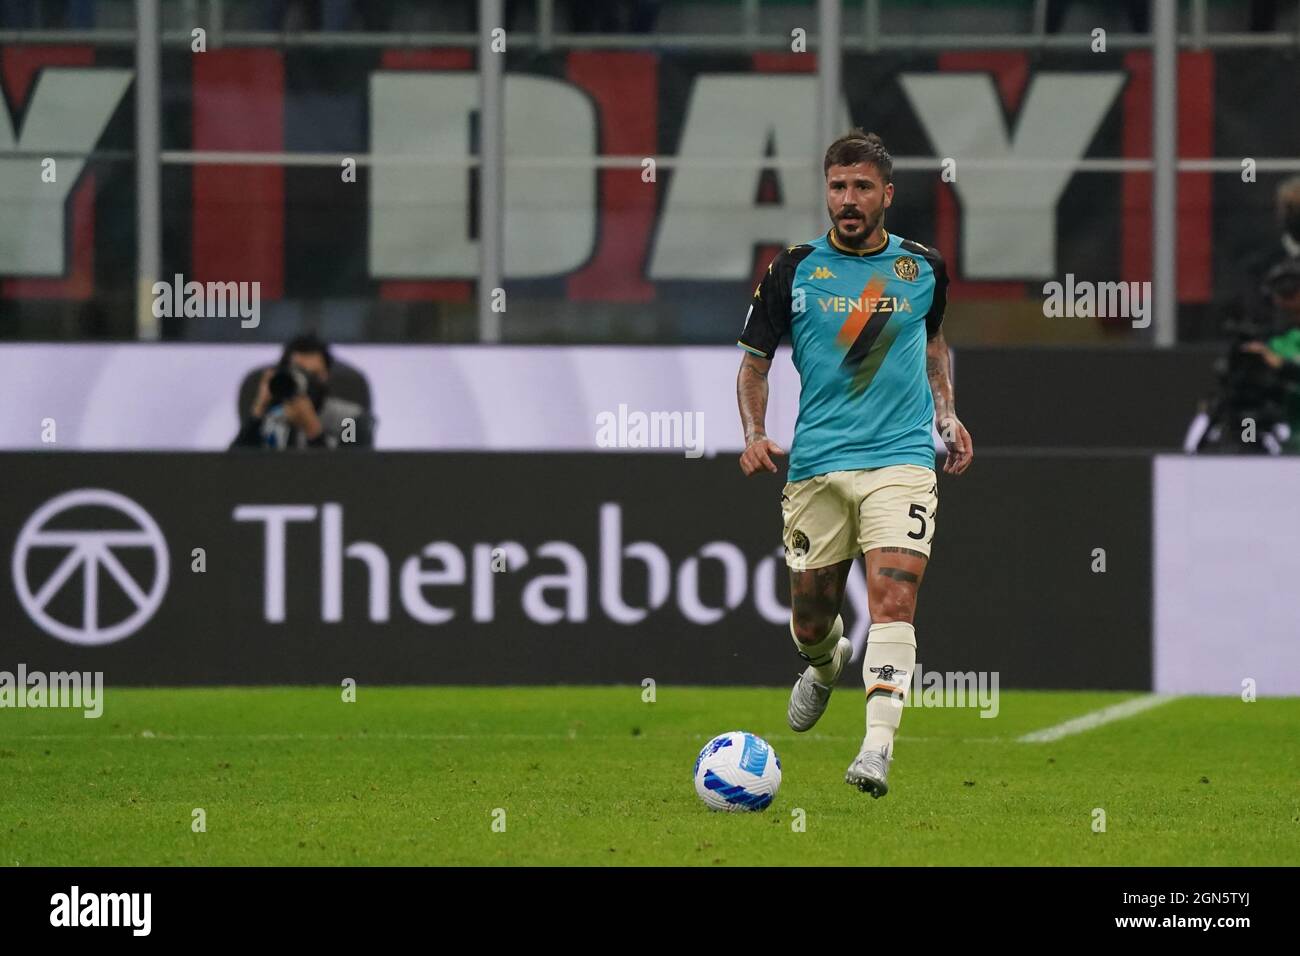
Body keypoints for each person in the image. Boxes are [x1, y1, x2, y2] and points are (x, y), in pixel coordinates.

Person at [735, 129, 973, 799]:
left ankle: (875, 749)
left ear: (887, 194)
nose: (848, 198)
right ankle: (825, 661)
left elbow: (934, 342)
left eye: (862, 186)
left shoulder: (922, 266)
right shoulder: (793, 268)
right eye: (838, 186)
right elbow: (754, 365)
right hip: (817, 466)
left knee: (894, 600)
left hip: (899, 461)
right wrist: (755, 430)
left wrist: (945, 414)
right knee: (812, 616)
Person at [230, 333, 373, 450]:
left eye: (314, 375)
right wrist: (259, 410)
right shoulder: (272, 419)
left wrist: (313, 430)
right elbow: (232, 468)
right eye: (299, 372)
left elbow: (353, 472)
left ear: (327, 375)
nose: (308, 381)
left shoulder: (350, 420)